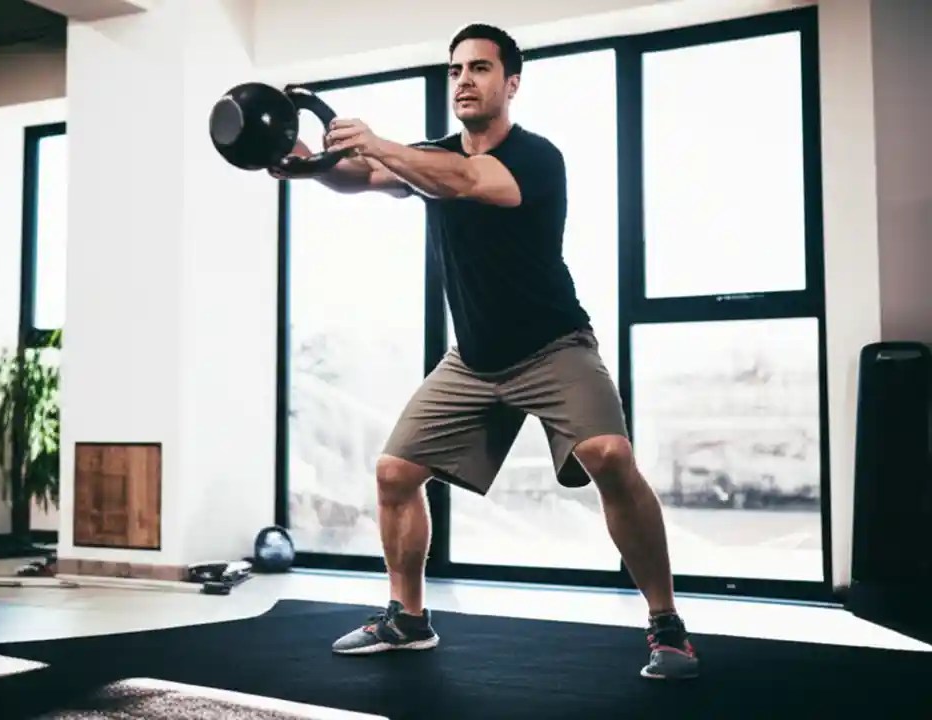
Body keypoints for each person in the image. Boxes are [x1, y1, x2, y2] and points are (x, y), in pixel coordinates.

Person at [273, 23, 700, 681]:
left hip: (554, 347)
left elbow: (468, 182)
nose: (464, 81)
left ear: (511, 83)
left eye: (479, 68)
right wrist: (298, 158)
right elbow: (359, 175)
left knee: (610, 456)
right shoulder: (428, 155)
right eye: (455, 70)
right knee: (393, 473)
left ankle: (666, 624)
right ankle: (408, 619)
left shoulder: (536, 157)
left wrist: (378, 142)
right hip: (473, 360)